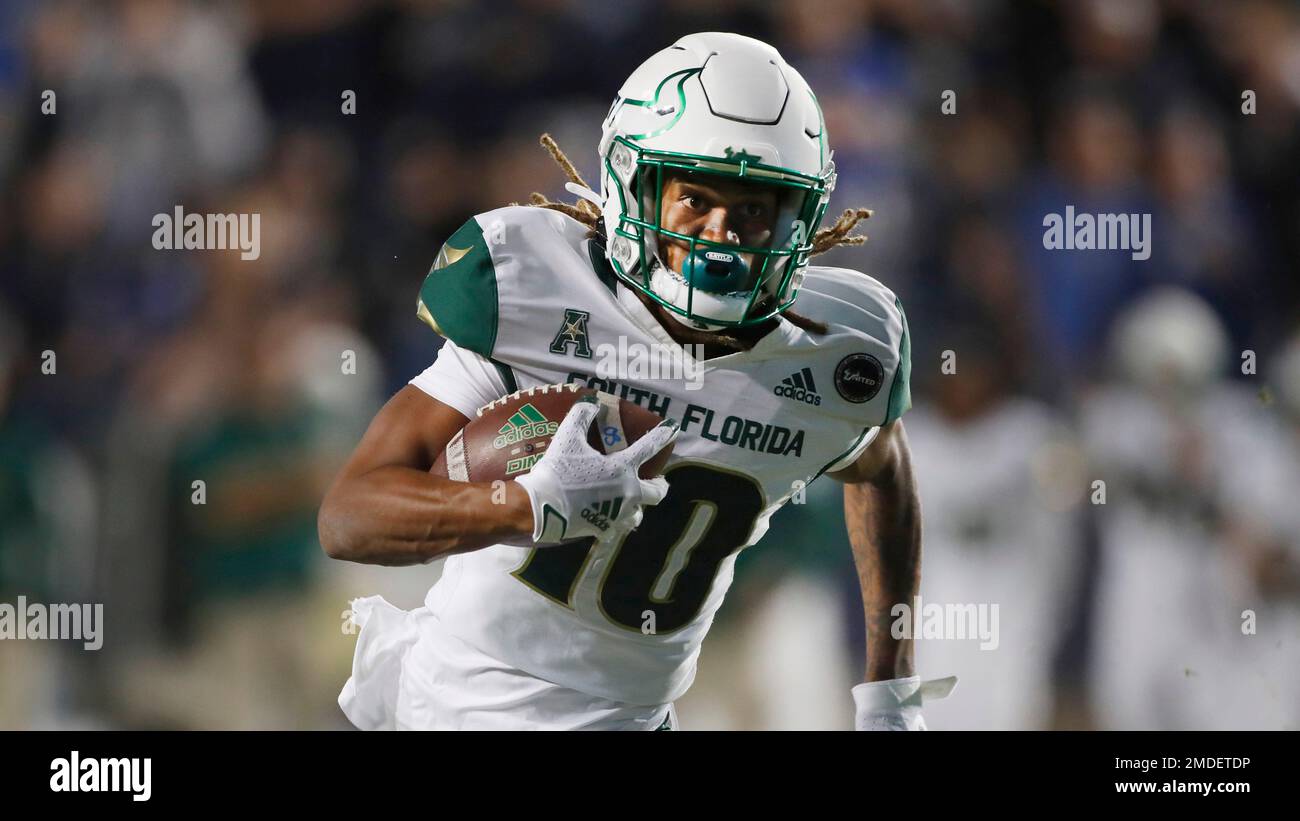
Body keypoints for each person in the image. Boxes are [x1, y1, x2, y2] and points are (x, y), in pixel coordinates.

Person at [319, 31, 953, 730]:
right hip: (458, 709)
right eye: (696, 200)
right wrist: (523, 507)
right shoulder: (538, 293)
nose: (723, 237)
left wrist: (890, 692)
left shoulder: (837, 354)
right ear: (636, 184)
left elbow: (883, 467)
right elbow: (349, 516)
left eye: (753, 209)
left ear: (796, 218)